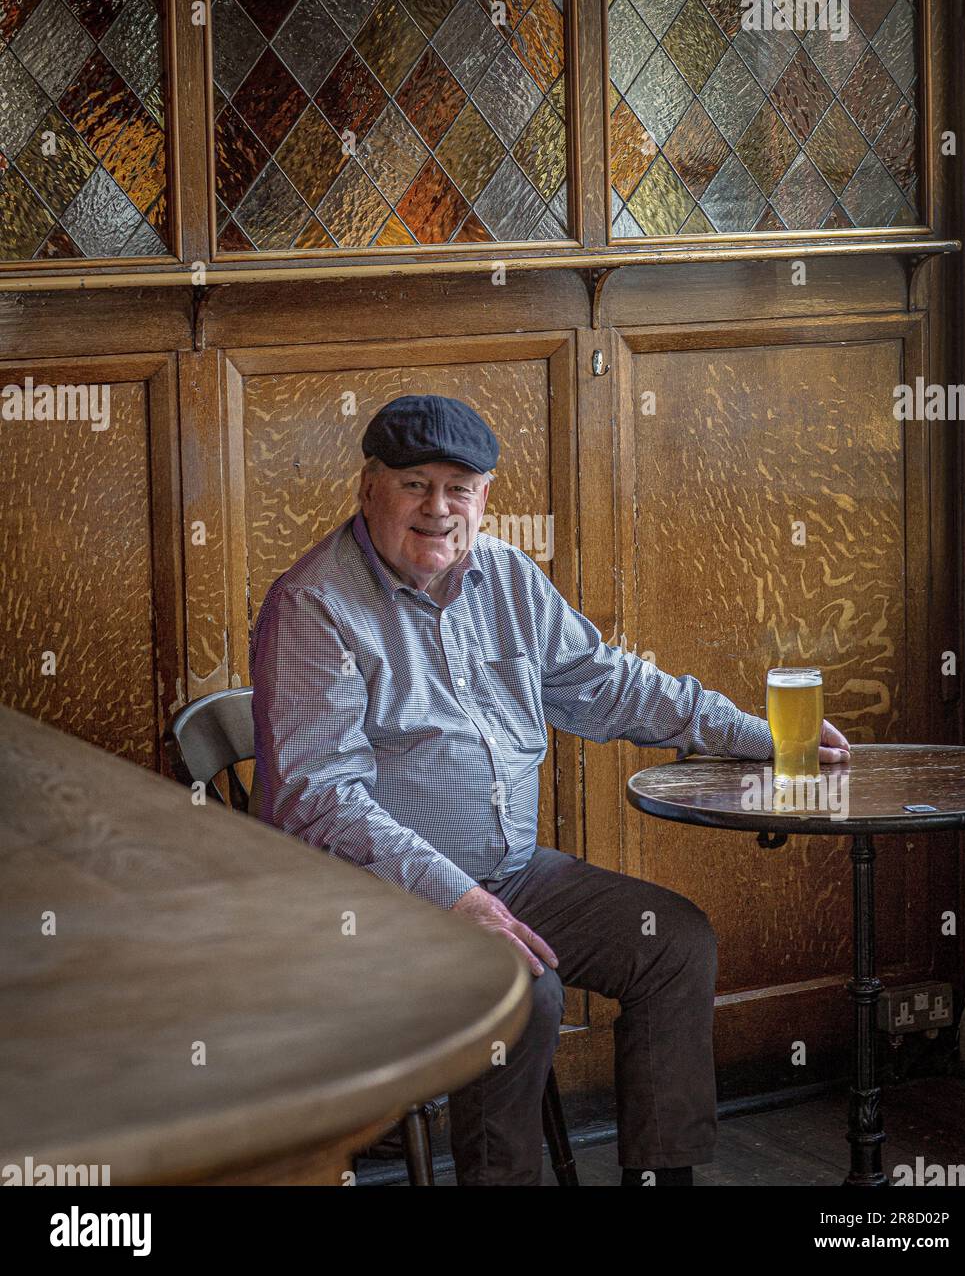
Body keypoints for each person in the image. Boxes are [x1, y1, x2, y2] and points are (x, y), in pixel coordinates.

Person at [250, 393, 851, 1186]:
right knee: (525, 993)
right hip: (375, 904)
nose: (438, 509)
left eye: (458, 487)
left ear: (485, 496)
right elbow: (320, 798)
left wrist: (761, 737)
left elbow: (606, 684)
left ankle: (660, 1181)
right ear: (369, 488)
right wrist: (457, 900)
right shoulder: (314, 604)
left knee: (672, 943)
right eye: (414, 485)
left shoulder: (504, 574)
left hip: (507, 873)